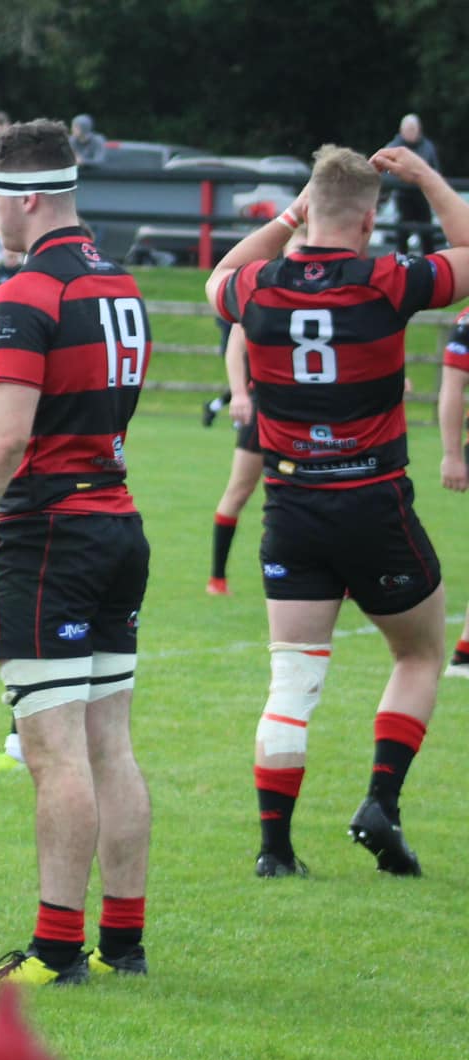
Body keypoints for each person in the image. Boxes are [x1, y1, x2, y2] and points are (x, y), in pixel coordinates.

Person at [0, 118, 152, 986]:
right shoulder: (118, 279)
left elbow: (6, 434)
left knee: (53, 750)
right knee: (110, 743)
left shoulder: (26, 292)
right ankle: (122, 941)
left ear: (27, 198)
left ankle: (56, 952)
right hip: (118, 522)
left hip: (54, 536)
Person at [207, 144, 469, 879]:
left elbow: (217, 278)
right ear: (369, 218)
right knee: (419, 653)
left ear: (305, 211)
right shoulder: (387, 281)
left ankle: (275, 849)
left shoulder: (258, 286)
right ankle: (380, 800)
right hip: (373, 499)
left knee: (291, 679)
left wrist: (291, 212)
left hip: (292, 505)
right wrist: (424, 176)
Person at [207, 324, 261, 596]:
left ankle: (340, 579)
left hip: (312, 408)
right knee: (238, 490)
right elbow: (235, 344)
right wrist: (239, 394)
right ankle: (217, 579)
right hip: (265, 405)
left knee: (318, 490)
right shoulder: (256, 289)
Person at [385, 114, 442, 252]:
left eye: (413, 129)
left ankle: (430, 263)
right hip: (403, 197)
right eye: (408, 129)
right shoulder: (392, 148)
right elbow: (384, 174)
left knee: (427, 233)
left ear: (419, 130)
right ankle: (400, 264)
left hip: (423, 195)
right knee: (402, 233)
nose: (411, 132)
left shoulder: (428, 147)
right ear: (401, 130)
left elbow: (436, 171)